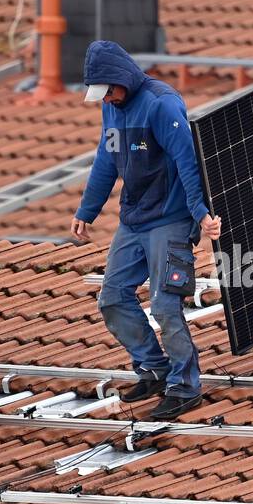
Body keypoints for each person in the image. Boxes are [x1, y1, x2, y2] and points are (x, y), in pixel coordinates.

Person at [71, 40, 222, 421]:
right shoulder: (113, 110)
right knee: (113, 297)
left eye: (108, 92)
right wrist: (87, 209)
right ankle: (154, 368)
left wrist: (201, 214)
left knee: (165, 305)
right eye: (100, 95)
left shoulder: (161, 103)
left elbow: (189, 162)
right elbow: (107, 159)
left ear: (121, 79)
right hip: (134, 219)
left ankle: (185, 386)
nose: (105, 100)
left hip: (170, 220)